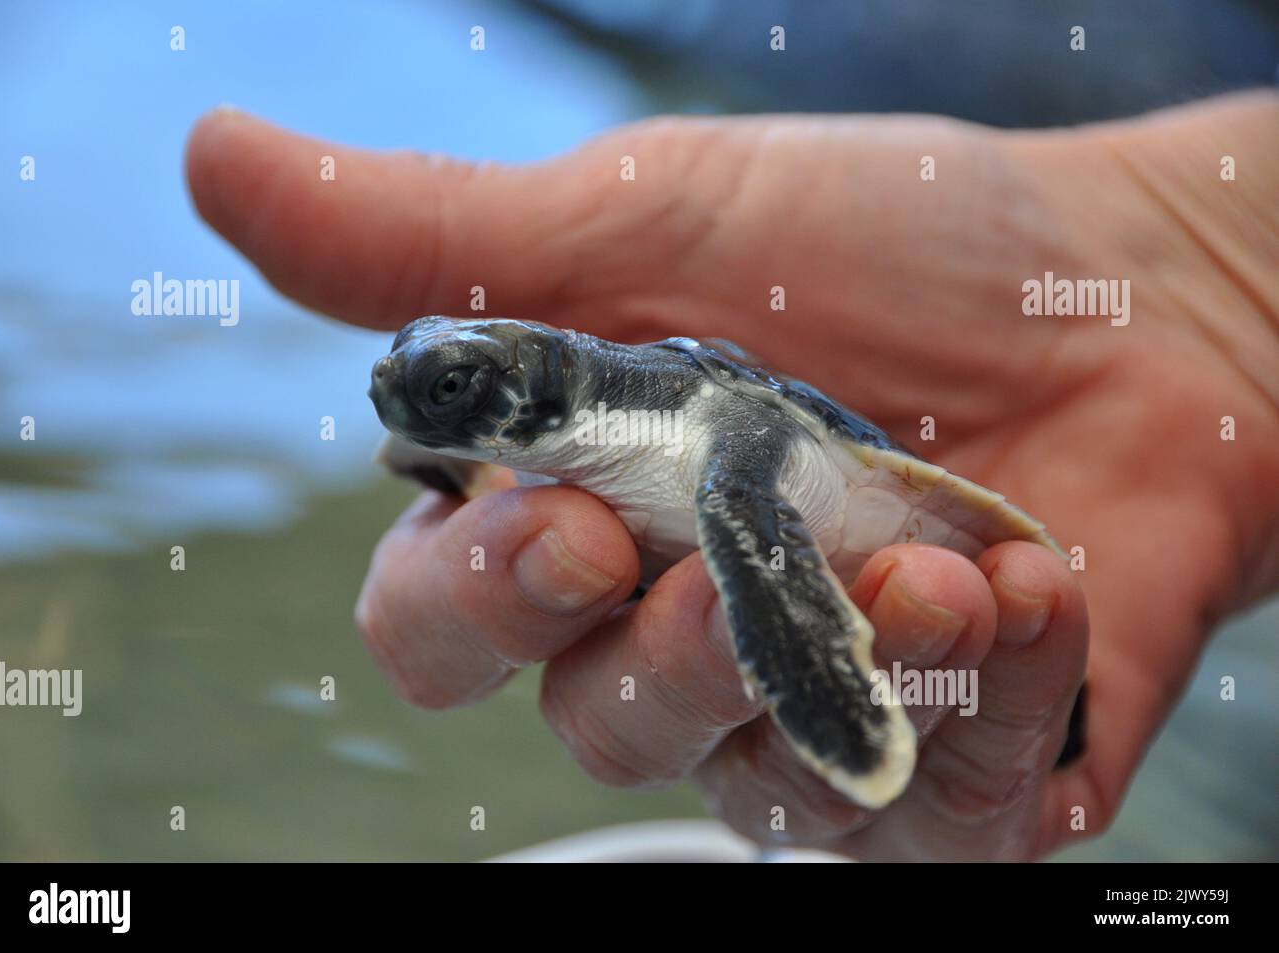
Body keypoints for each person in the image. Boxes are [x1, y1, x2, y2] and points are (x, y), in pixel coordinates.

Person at [185, 91, 1279, 860]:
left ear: (547, 384)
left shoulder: (711, 433)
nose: (416, 409)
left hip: (872, 498)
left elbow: (744, 510)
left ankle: (924, 705)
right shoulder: (539, 461)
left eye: (454, 390)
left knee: (762, 547)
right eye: (413, 383)